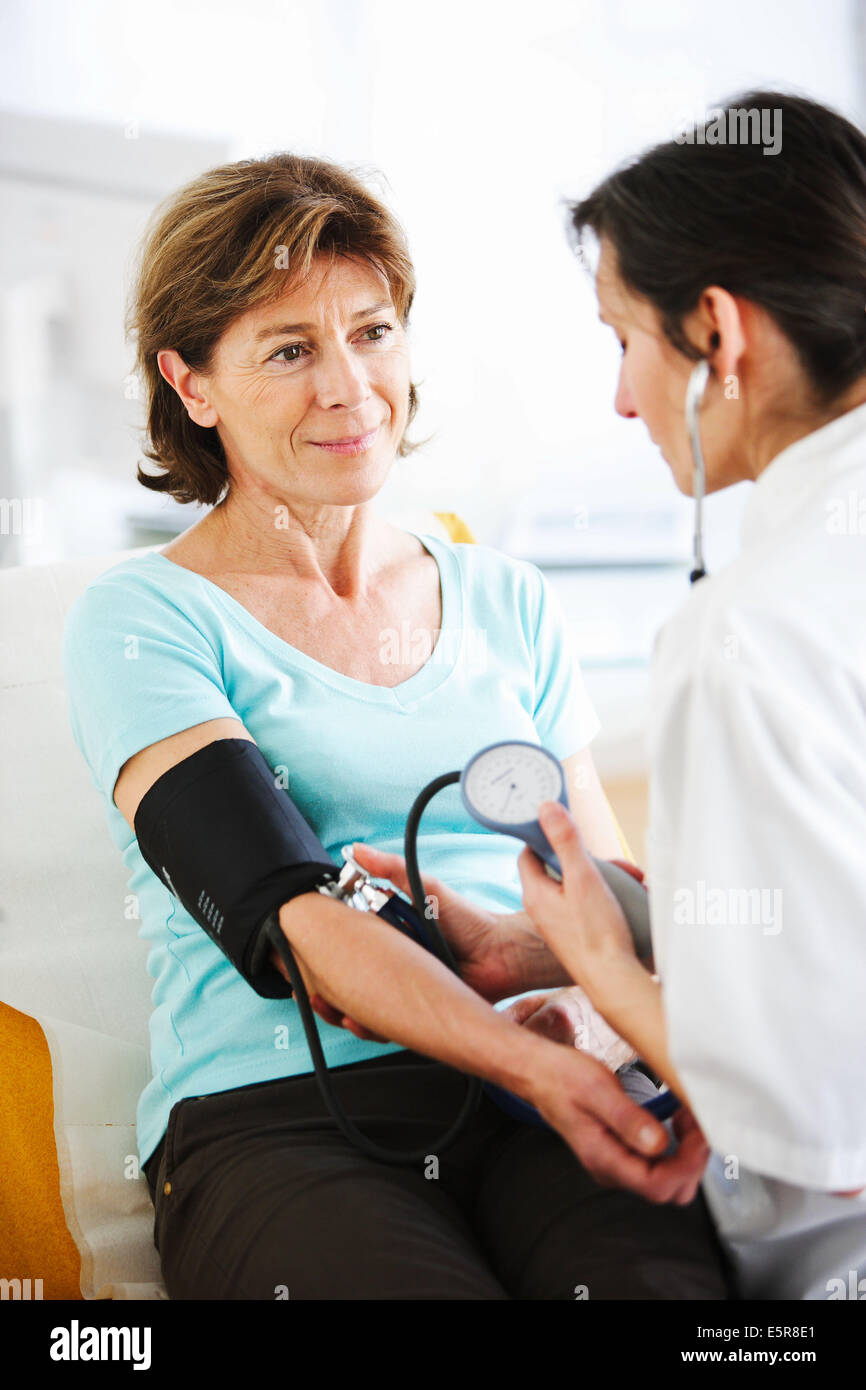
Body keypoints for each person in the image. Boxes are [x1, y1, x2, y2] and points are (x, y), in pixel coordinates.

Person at [62, 152, 730, 1300]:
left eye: (371, 332)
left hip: (547, 1091)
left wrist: (617, 1014)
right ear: (191, 384)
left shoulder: (508, 599)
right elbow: (289, 915)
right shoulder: (143, 618)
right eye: (287, 349)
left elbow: (599, 877)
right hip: (279, 1124)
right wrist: (528, 1057)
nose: (348, 386)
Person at [355, 89, 866, 1301]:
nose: (623, 401)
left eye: (622, 338)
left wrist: (607, 969)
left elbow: (811, 1137)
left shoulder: (746, 635)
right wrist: (560, 946)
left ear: (716, 336)